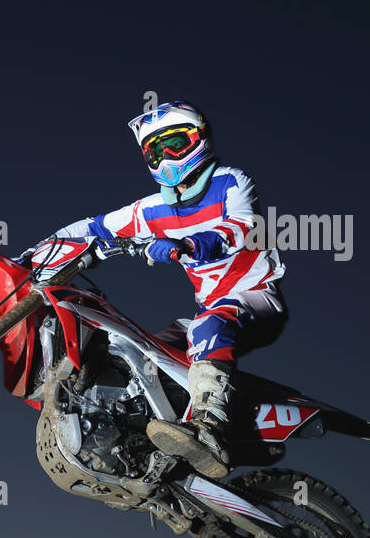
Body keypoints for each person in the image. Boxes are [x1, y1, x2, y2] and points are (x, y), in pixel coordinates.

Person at [26, 101, 286, 478]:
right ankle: (146, 441)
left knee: (212, 323)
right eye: (154, 151)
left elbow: (241, 227)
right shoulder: (151, 209)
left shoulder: (230, 181)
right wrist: (37, 252)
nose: (165, 159)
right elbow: (92, 226)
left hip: (256, 299)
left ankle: (210, 431)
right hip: (205, 311)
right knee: (140, 351)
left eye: (175, 144)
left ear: (199, 139)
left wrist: (191, 245)